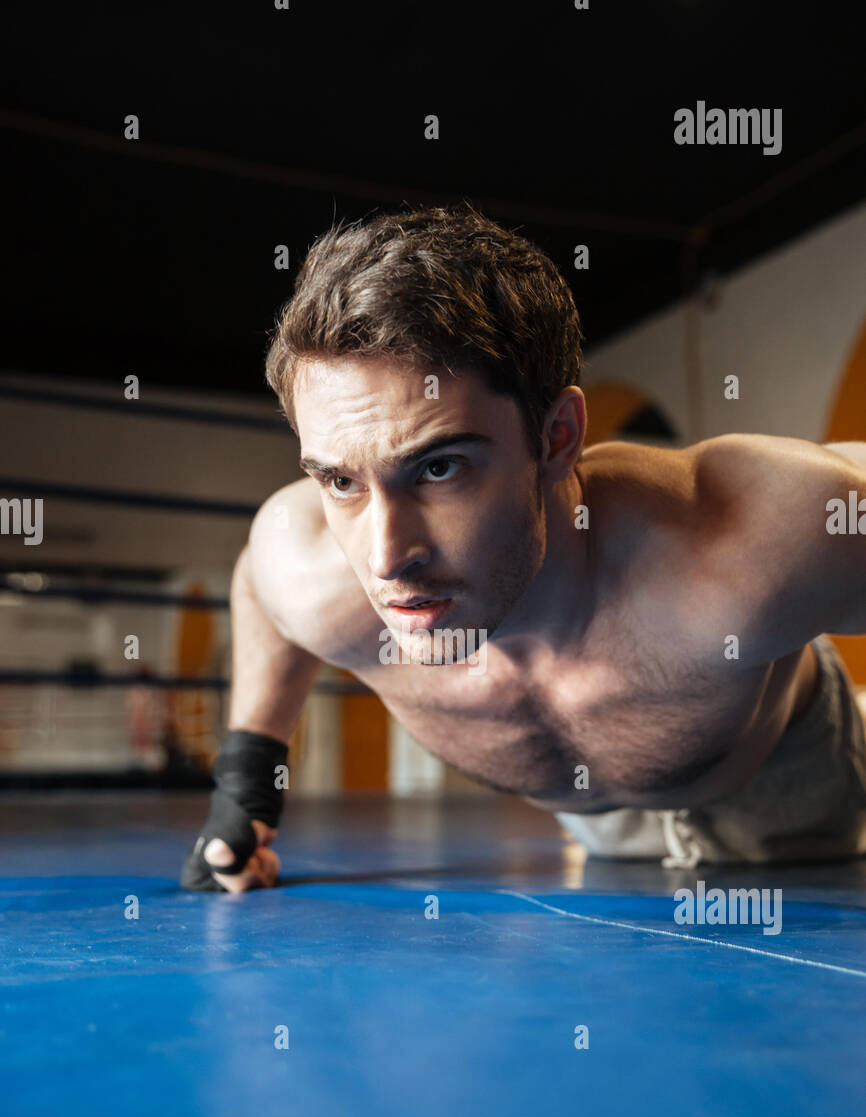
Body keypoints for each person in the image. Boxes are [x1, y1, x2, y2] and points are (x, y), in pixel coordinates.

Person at [181, 205, 866, 891]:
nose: (386, 558)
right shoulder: (306, 564)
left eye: (439, 468)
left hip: (787, 786)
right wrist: (246, 784)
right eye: (340, 480)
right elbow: (260, 587)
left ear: (557, 438)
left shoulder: (741, 544)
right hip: (597, 825)